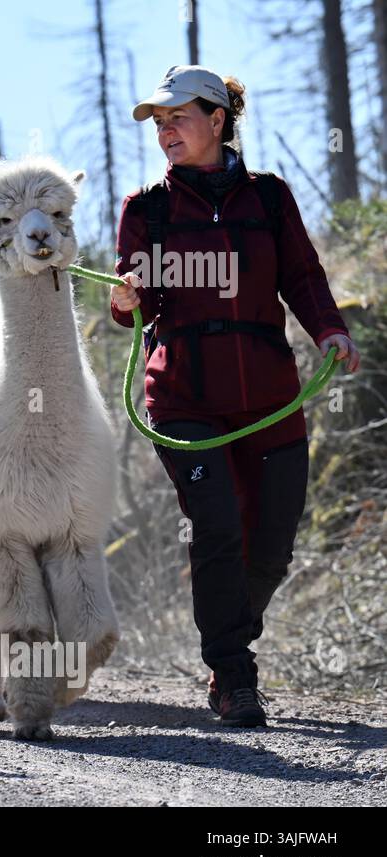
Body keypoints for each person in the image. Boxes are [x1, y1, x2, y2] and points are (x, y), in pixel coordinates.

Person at [111, 65, 361, 727]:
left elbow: (303, 278)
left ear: (218, 119)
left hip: (271, 398)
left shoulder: (271, 199)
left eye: (178, 118)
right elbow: (139, 299)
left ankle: (228, 633)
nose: (165, 132)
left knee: (272, 543)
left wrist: (331, 330)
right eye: (157, 123)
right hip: (184, 400)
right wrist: (125, 300)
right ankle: (232, 673)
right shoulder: (147, 210)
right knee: (217, 525)